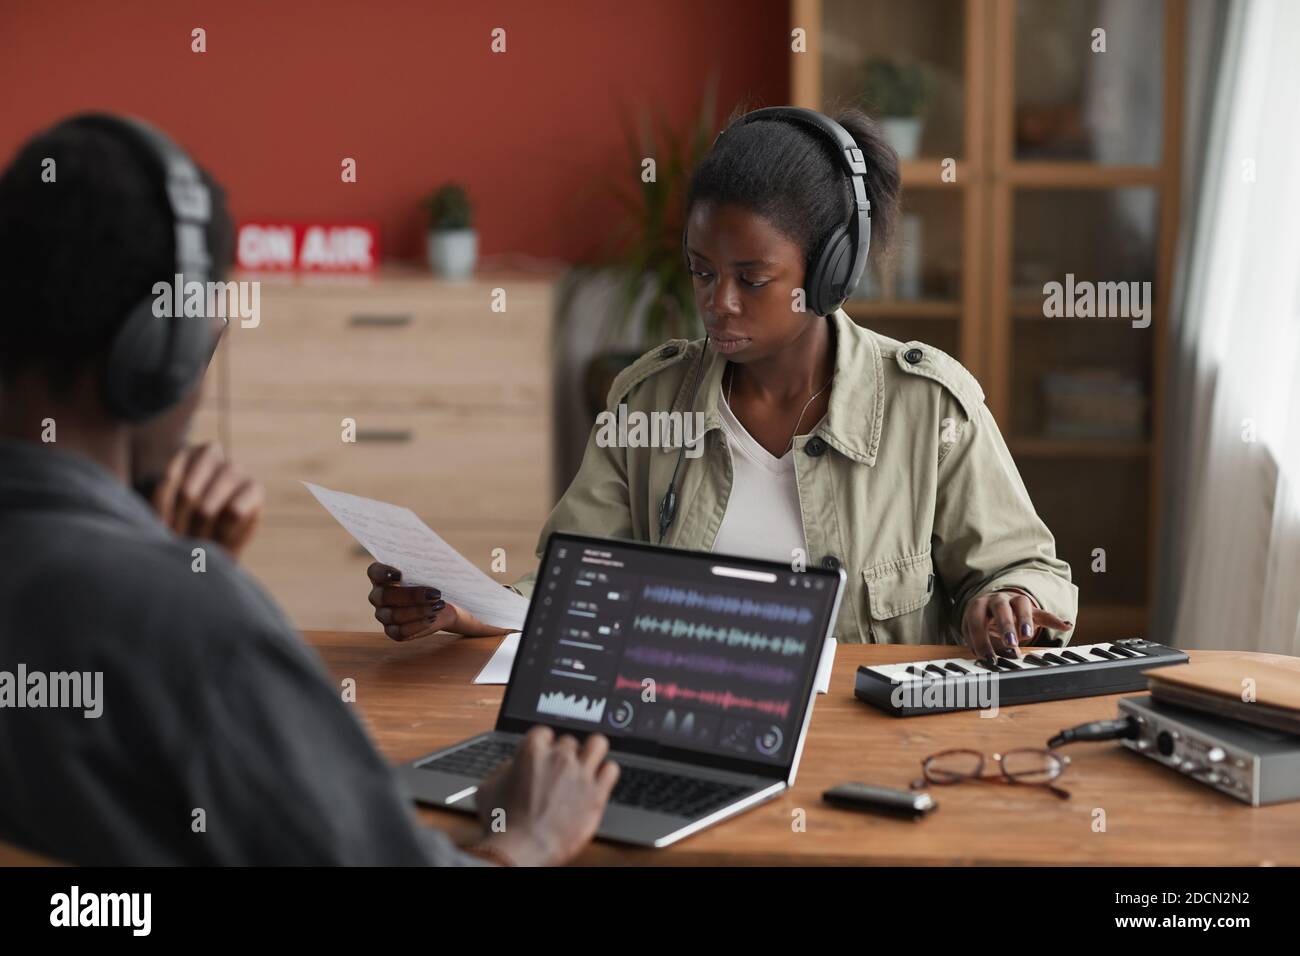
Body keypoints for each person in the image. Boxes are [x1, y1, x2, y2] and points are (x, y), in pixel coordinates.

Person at [0, 114, 617, 866]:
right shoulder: (195, 629)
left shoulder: (155, 606)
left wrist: (160, 564)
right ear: (155, 360)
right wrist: (527, 838)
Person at [368, 105, 1076, 662]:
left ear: (830, 272)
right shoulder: (646, 403)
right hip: (680, 727)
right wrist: (467, 611)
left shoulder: (931, 407)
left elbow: (1024, 568)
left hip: (865, 750)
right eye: (703, 271)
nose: (718, 302)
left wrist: (1009, 599)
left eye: (752, 279)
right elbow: (574, 581)